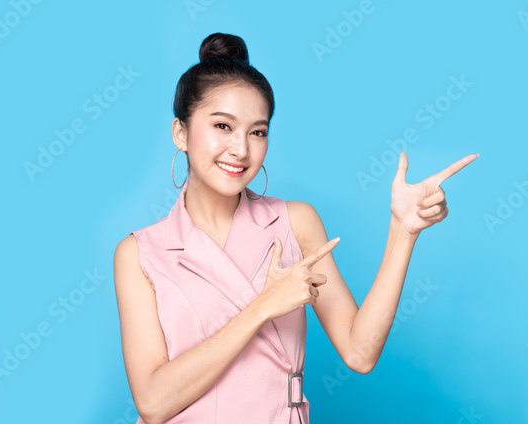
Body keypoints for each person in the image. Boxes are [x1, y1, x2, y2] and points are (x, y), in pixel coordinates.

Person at [112, 32, 477, 424]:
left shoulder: (294, 222)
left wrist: (403, 231)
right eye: (222, 126)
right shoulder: (140, 254)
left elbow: (360, 352)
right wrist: (263, 306)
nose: (241, 149)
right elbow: (151, 402)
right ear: (180, 133)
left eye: (257, 131)